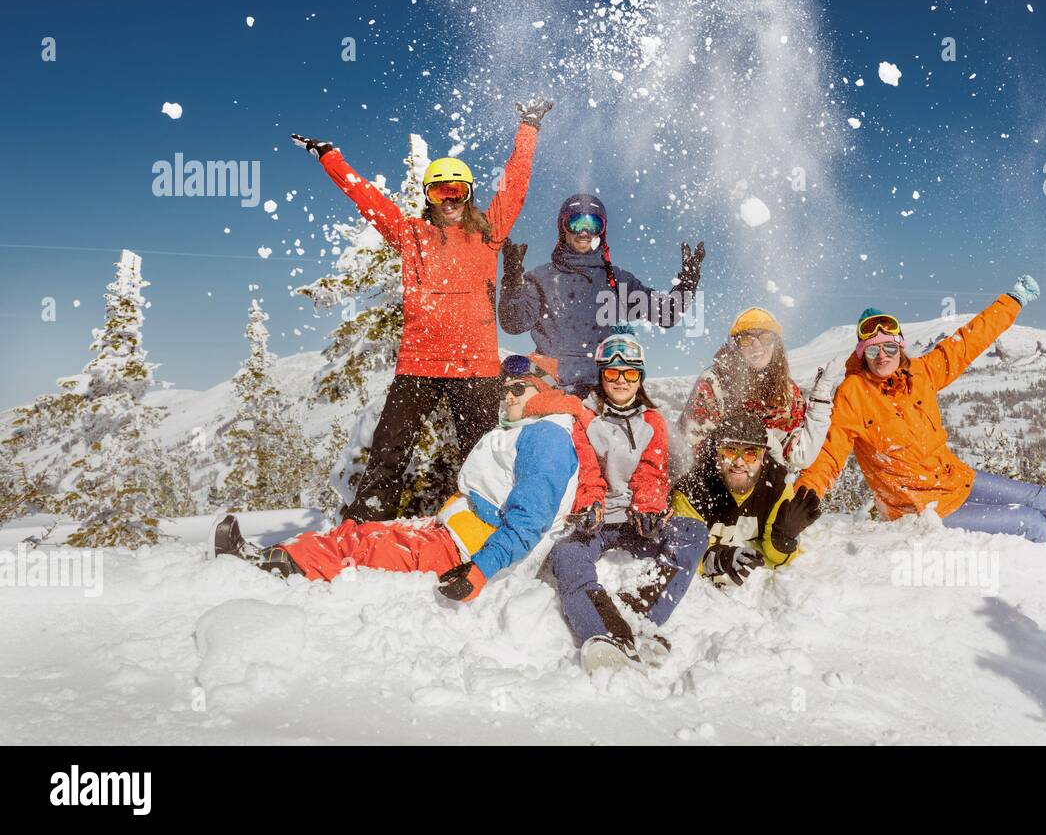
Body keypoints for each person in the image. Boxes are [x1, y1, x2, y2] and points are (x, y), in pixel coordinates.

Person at [291, 99, 553, 522]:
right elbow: (367, 199)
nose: (448, 200)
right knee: (388, 451)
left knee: (482, 454)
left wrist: (528, 127)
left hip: (475, 369)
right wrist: (330, 158)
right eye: (439, 191)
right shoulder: (410, 235)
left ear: (467, 195)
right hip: (419, 364)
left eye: (456, 191)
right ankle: (367, 523)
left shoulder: (489, 233)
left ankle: (486, 526)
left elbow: (515, 186)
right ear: (429, 197)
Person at [793, 276, 1046, 551]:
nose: (882, 356)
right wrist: (802, 498)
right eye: (873, 351)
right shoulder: (852, 395)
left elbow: (969, 341)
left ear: (900, 348)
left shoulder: (922, 373)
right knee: (1033, 523)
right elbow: (828, 454)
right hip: (921, 508)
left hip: (955, 478)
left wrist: (1011, 301)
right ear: (861, 356)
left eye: (889, 347)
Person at [211, 354, 606, 602]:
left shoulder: (548, 437)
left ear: (542, 392)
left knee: (363, 552)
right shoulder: (527, 429)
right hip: (452, 533)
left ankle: (277, 565)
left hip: (467, 551)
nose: (506, 396)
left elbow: (528, 521)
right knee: (363, 533)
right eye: (504, 389)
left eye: (517, 389)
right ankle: (283, 553)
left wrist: (480, 570)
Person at [547, 326, 709, 671]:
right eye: (613, 373)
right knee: (566, 554)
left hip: (635, 520)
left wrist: (648, 509)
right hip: (598, 519)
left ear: (640, 378)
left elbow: (652, 471)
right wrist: (591, 505)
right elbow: (587, 469)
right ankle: (602, 630)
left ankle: (638, 614)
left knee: (693, 533)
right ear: (602, 375)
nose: (622, 381)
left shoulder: (652, 421)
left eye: (630, 373)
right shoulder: (585, 417)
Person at [497, 193, 706, 396]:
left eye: (594, 225)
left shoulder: (615, 281)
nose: (585, 232)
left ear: (601, 232)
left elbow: (666, 315)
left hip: (602, 391)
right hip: (551, 388)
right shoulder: (541, 278)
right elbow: (514, 324)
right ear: (563, 227)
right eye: (576, 223)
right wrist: (513, 283)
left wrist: (687, 284)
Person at [674, 307, 834, 478]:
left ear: (776, 344)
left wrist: (819, 403)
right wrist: (760, 446)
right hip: (716, 481)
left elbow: (797, 455)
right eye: (746, 339)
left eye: (766, 337)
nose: (757, 345)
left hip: (766, 483)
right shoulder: (712, 384)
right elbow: (694, 452)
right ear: (735, 346)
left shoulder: (786, 390)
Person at [673, 412, 822, 590]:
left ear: (762, 457)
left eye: (750, 454)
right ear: (716, 453)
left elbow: (777, 560)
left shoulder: (777, 486)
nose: (739, 463)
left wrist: (783, 541)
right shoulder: (693, 489)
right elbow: (680, 553)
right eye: (730, 451)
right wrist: (719, 560)